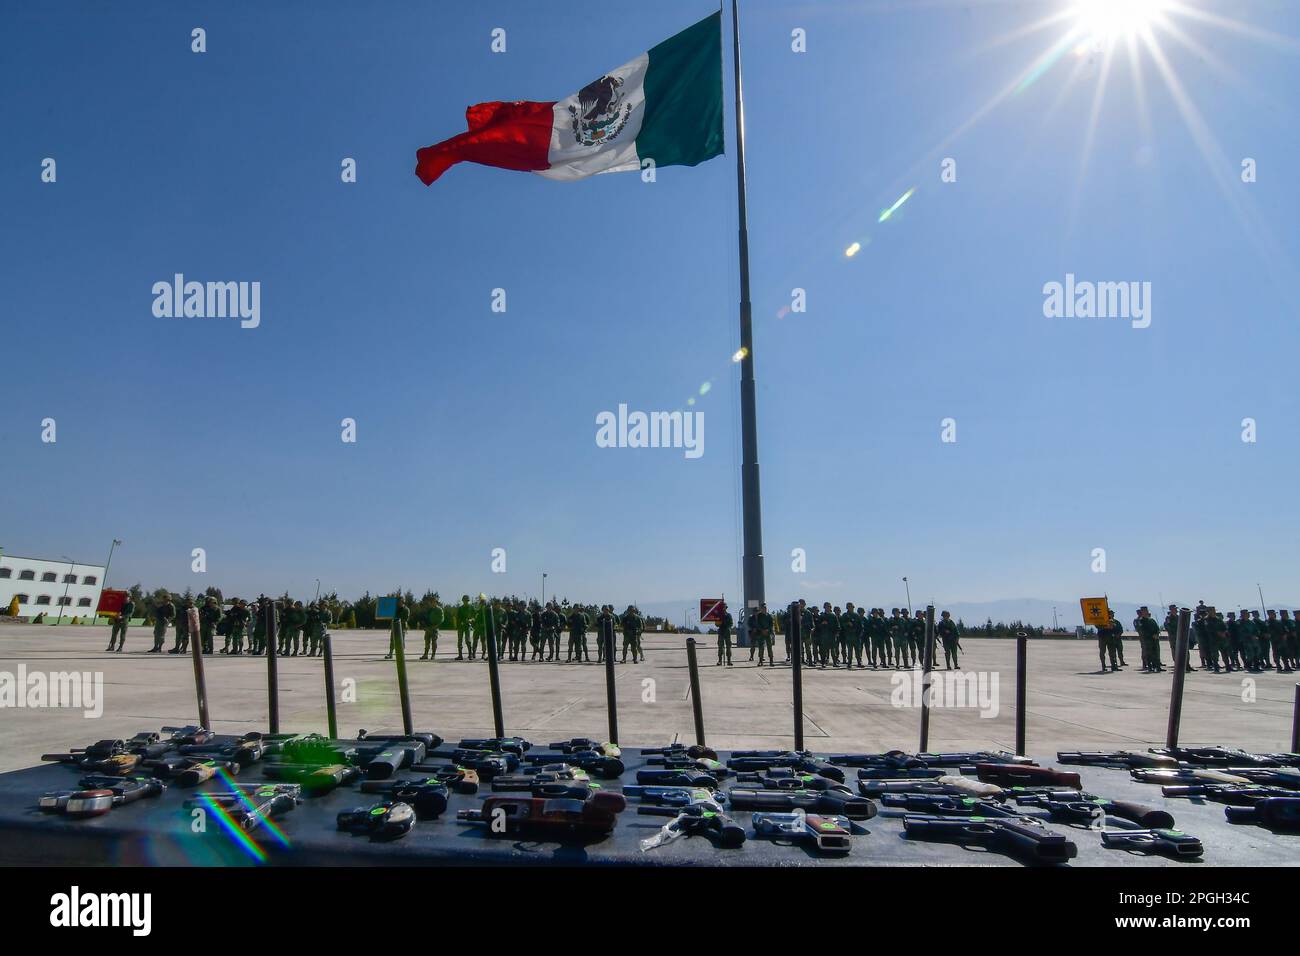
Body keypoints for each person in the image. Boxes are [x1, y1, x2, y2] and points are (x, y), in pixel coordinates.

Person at [1134, 606, 1163, 672]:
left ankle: (1157, 666)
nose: (1146, 612)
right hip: (1147, 640)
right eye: (1144, 611)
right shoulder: (1141, 621)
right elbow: (1143, 630)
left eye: (1146, 610)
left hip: (1155, 639)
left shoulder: (1151, 620)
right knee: (1149, 653)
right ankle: (1150, 667)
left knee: (1156, 653)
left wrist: (1156, 634)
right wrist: (1151, 635)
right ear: (1142, 612)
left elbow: (1157, 628)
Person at [750, 602, 774, 666]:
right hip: (761, 633)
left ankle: (771, 661)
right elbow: (758, 624)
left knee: (769, 647)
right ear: (761, 608)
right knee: (761, 647)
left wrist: (768, 629)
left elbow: (771, 624)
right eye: (763, 608)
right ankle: (760, 661)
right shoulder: (759, 616)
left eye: (765, 608)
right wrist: (762, 630)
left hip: (768, 633)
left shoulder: (769, 616)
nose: (764, 609)